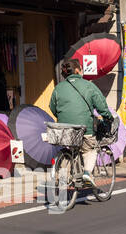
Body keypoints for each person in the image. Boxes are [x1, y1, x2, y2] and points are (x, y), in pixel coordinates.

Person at [48, 58, 116, 186]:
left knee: (72, 147)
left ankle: (63, 174)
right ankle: (87, 173)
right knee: (90, 149)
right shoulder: (89, 85)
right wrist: (108, 117)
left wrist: (63, 117)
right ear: (78, 70)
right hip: (84, 128)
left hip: (64, 129)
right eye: (82, 69)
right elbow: (101, 106)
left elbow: (52, 107)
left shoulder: (58, 88)